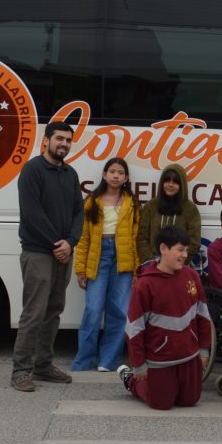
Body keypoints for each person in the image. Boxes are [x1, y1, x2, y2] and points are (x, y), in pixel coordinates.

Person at [10, 122, 85, 392]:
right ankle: (20, 371)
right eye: (59, 139)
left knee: (53, 312)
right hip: (39, 252)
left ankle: (43, 366)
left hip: (63, 253)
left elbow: (79, 212)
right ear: (47, 141)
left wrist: (71, 242)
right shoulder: (32, 170)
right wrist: (58, 244)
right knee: (34, 313)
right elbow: (32, 214)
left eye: (68, 140)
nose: (64, 144)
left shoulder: (70, 173)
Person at [116, 226, 212, 410]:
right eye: (180, 249)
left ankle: (170, 384)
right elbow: (134, 328)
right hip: (159, 359)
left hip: (188, 355)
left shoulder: (191, 276)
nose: (185, 255)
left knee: (190, 401)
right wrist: (139, 365)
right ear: (163, 249)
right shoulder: (145, 284)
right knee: (161, 404)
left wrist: (203, 350)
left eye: (186, 249)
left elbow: (203, 316)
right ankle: (131, 380)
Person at [71, 157, 140, 373]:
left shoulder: (132, 203)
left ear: (126, 178)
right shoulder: (92, 201)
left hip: (123, 260)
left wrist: (138, 269)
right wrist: (80, 269)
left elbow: (137, 237)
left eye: (121, 172)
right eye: (112, 171)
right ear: (104, 174)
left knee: (119, 312)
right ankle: (83, 360)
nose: (116, 176)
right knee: (93, 309)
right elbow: (83, 239)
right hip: (99, 257)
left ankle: (108, 360)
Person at [137, 164, 201, 263]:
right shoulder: (150, 206)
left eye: (175, 182)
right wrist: (151, 262)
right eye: (167, 181)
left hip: (179, 263)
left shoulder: (190, 208)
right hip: (153, 262)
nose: (170, 185)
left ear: (182, 185)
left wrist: (179, 260)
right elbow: (142, 238)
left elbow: (194, 242)